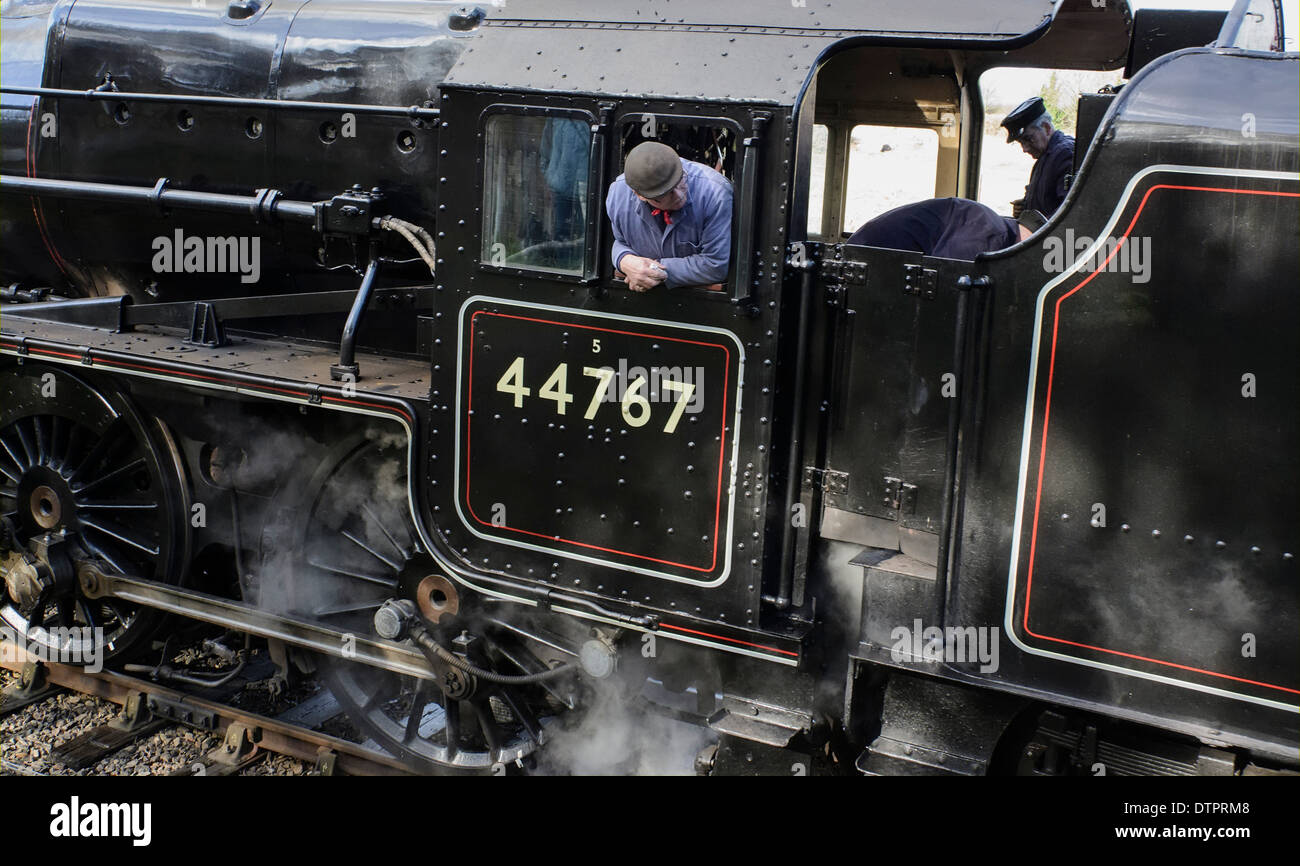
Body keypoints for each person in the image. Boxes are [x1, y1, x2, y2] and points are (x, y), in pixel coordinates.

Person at [605, 141, 733, 293]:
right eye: (666, 194)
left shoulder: (716, 193)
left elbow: (715, 265)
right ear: (640, 195)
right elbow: (620, 242)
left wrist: (649, 271)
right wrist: (625, 261)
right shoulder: (618, 195)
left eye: (681, 181)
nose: (679, 194)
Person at [847, 197, 1034, 259]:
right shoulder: (991, 238)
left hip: (868, 247)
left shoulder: (991, 223)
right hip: (867, 254)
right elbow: (948, 281)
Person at [1001, 96, 1075, 218]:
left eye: (1028, 139)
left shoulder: (1065, 153)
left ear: (1046, 128)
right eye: (1021, 143)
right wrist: (1025, 207)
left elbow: (1066, 215)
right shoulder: (1046, 156)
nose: (1025, 149)